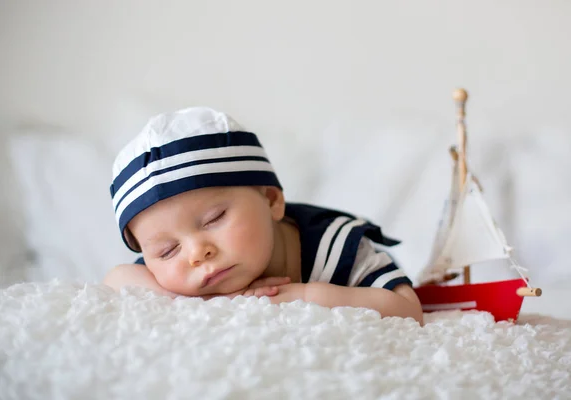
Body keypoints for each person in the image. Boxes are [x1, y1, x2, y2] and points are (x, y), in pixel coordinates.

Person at [103, 107, 423, 324]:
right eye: (166, 250)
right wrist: (209, 304)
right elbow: (116, 280)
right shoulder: (174, 276)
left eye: (214, 219)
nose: (196, 253)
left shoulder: (335, 243)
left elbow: (408, 310)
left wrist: (299, 296)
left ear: (271, 200)